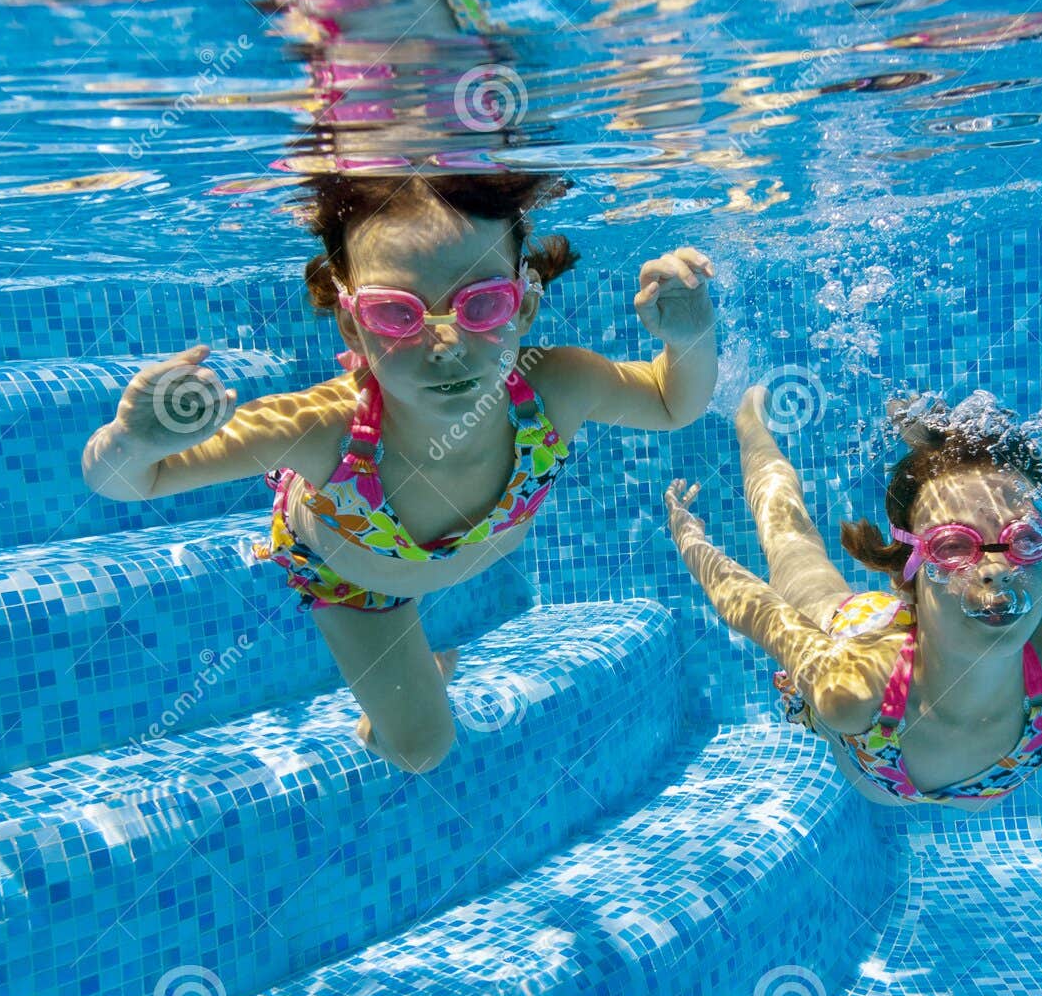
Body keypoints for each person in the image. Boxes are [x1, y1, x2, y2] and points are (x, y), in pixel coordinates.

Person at [83, 172, 717, 773]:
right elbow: (129, 481)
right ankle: (383, 712)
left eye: (482, 303)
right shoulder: (320, 429)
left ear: (523, 307)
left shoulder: (556, 384)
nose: (447, 345)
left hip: (427, 551)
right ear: (353, 322)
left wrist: (690, 336)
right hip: (349, 575)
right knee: (421, 750)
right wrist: (130, 441)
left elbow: (671, 402)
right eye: (398, 314)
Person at [665, 386, 1042, 813]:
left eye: (1026, 539)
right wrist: (691, 540)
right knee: (792, 551)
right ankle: (749, 421)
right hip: (865, 644)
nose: (996, 569)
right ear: (908, 572)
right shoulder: (853, 689)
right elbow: (756, 611)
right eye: (953, 545)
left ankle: (939, 461)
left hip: (931, 637)